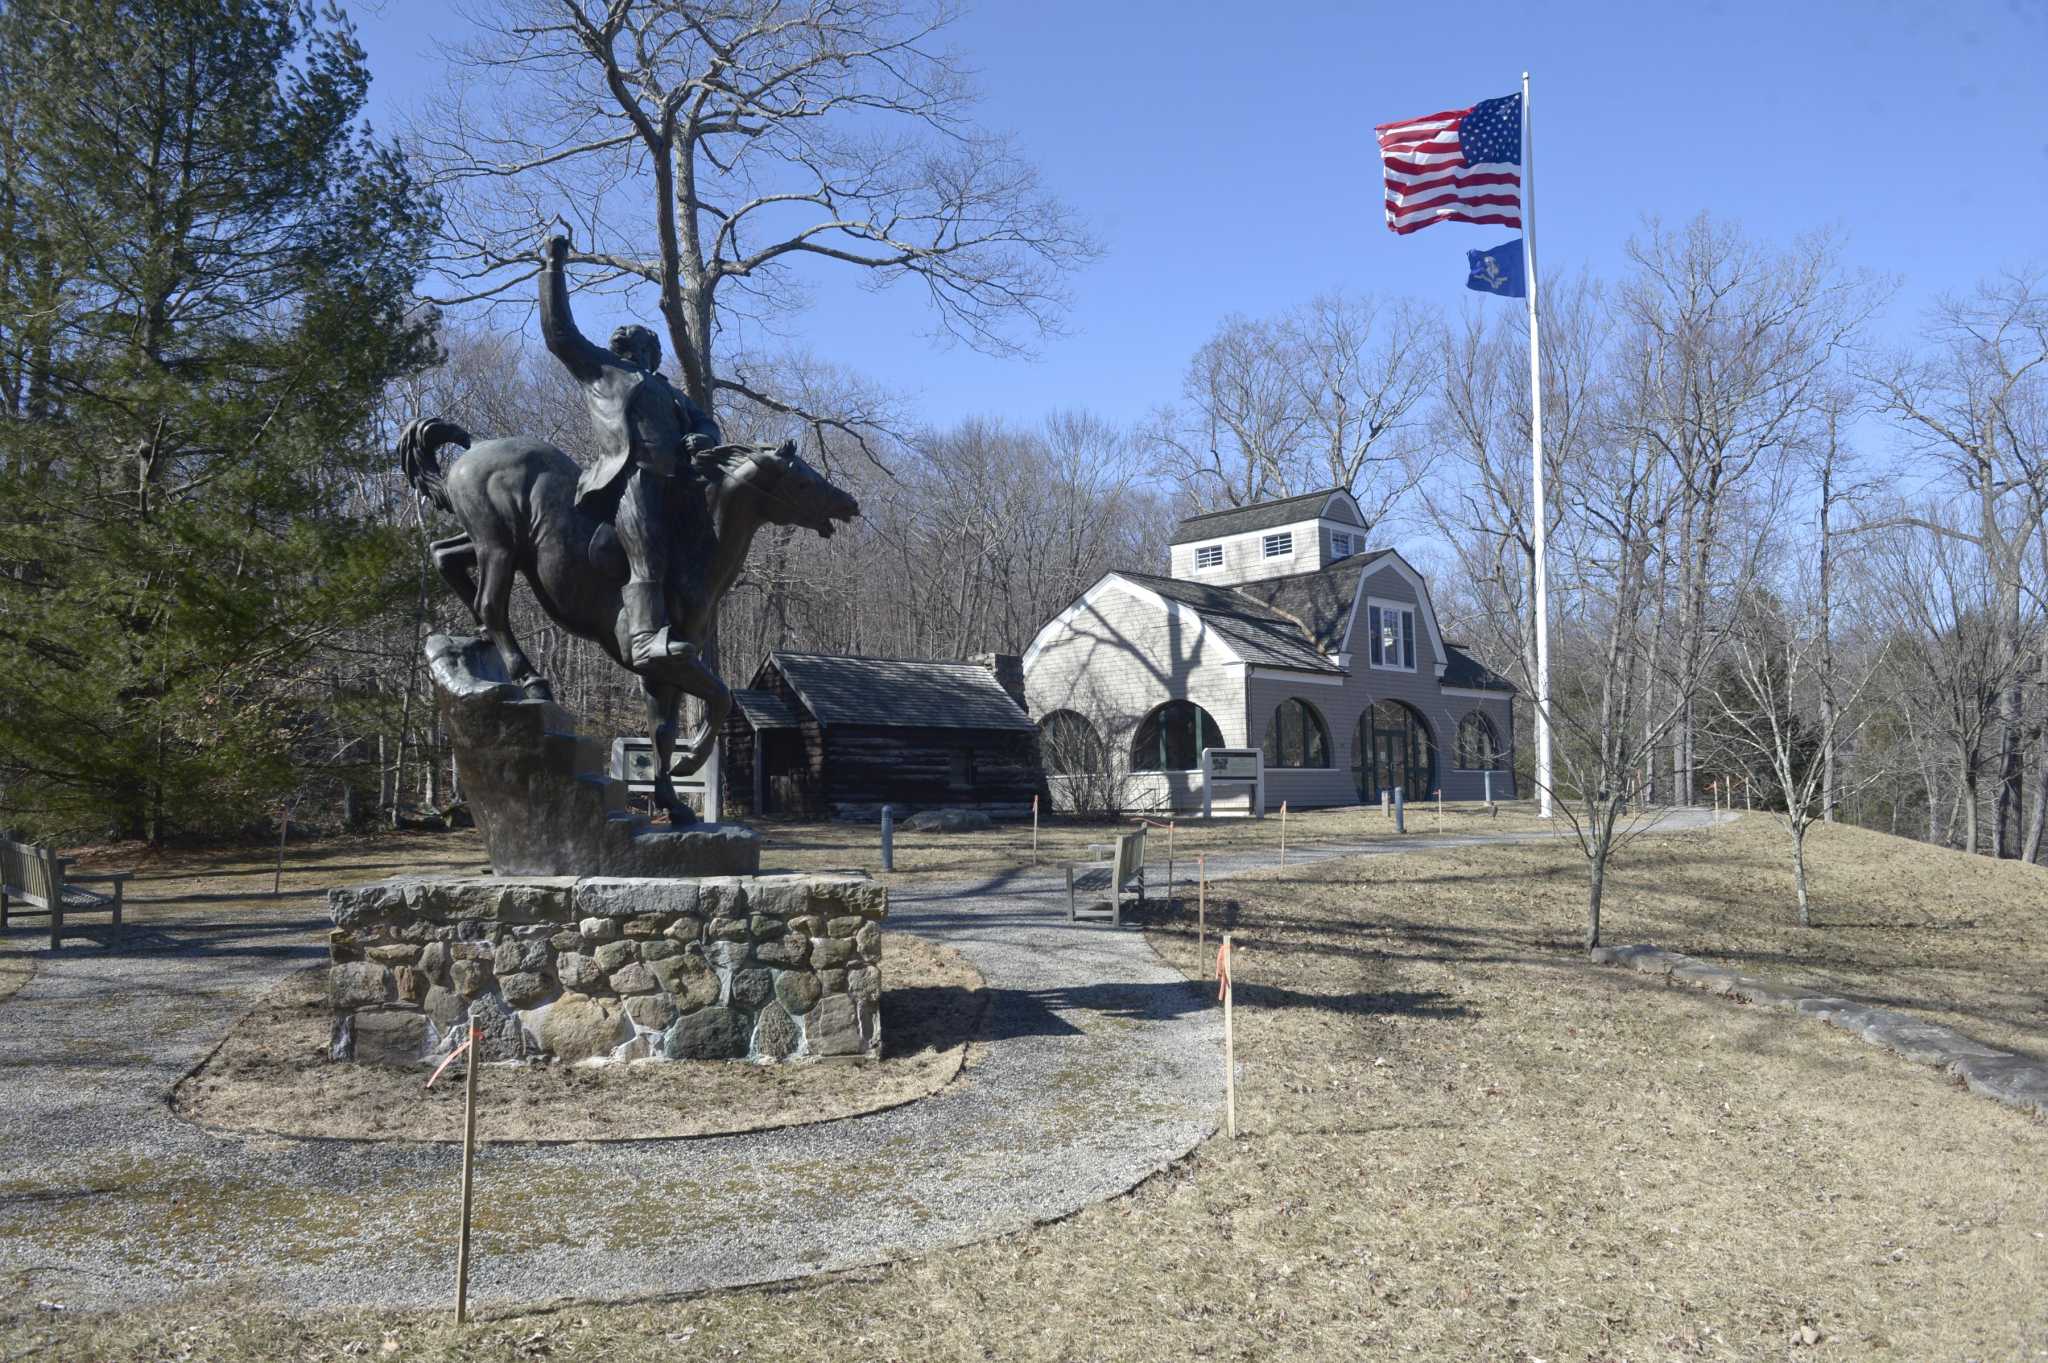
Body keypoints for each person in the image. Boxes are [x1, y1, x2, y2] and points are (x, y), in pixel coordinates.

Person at [539, 233, 723, 668]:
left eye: (639, 343)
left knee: (704, 550)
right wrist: (553, 268)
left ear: (652, 354)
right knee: (648, 545)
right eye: (624, 341)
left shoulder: (669, 391)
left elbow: (704, 420)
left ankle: (686, 625)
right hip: (632, 478)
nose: (627, 343)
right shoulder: (603, 371)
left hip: (680, 482)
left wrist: (704, 438)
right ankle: (643, 637)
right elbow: (559, 333)